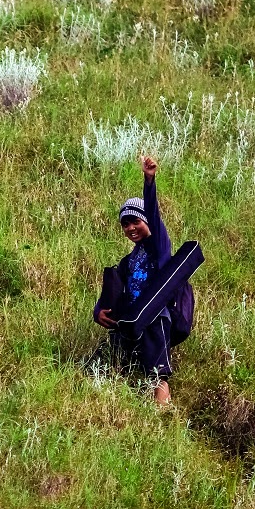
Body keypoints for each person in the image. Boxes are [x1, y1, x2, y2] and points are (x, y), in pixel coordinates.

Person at [92, 154, 183, 406]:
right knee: (105, 365)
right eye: (125, 224)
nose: (130, 228)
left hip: (156, 320)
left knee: (158, 374)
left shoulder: (158, 246)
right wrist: (98, 311)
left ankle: (162, 416)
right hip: (131, 323)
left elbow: (153, 214)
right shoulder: (129, 260)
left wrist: (149, 180)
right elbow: (109, 294)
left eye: (135, 221)